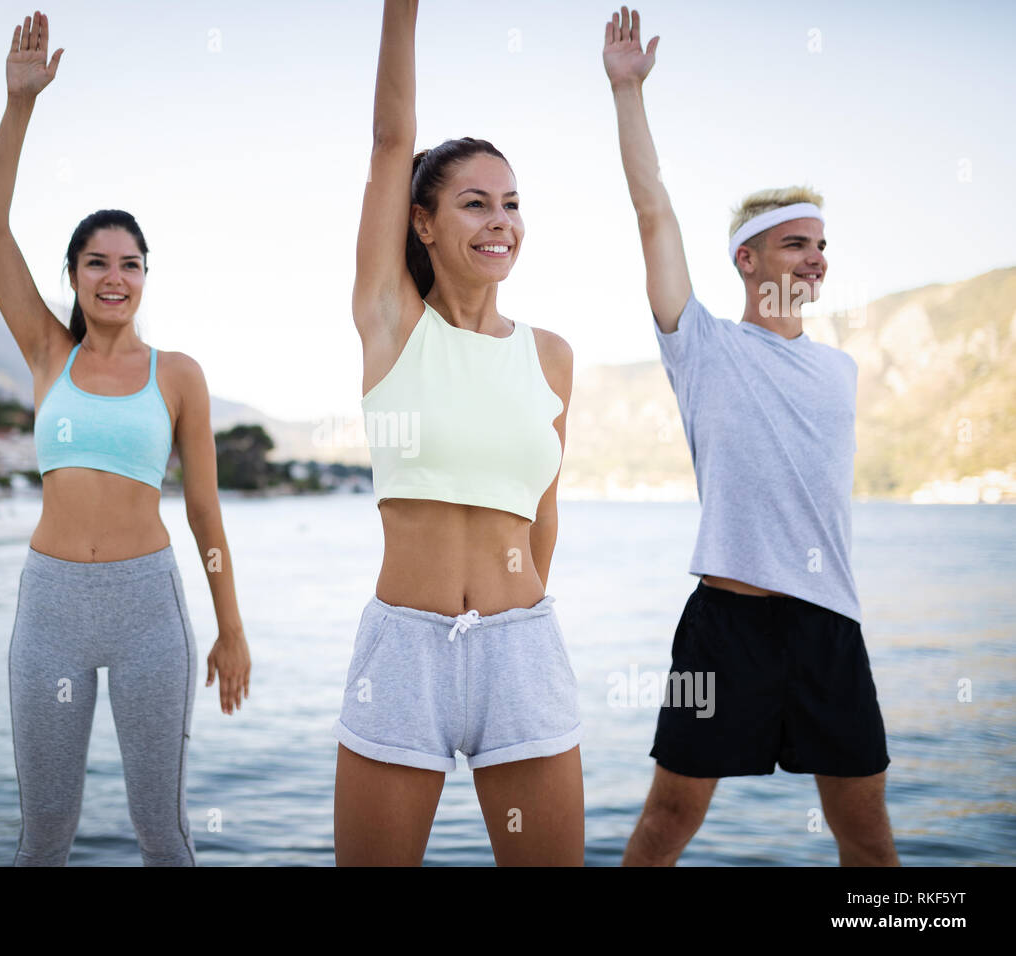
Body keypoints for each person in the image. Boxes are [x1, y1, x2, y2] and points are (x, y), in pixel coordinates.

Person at [602, 6, 897, 866]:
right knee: (666, 824)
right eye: (796, 244)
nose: (816, 260)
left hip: (829, 627)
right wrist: (628, 93)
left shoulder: (841, 370)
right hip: (723, 629)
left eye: (822, 246)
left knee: (868, 836)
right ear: (746, 258)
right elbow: (653, 210)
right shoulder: (703, 347)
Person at [0, 10, 251, 866]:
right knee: (45, 831)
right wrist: (19, 105)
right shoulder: (45, 352)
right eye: (97, 262)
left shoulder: (180, 375)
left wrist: (230, 628)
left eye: (130, 263)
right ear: (74, 276)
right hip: (50, 606)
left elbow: (204, 512)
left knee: (160, 828)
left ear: (145, 276)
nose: (114, 276)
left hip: (147, 608)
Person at [334, 0, 583, 866]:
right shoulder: (392, 325)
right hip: (403, 651)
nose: (500, 221)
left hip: (523, 650)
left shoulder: (551, 357)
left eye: (512, 203)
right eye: (474, 203)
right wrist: (401, 14)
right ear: (422, 221)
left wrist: (519, 614)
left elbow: (542, 515)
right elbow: (388, 145)